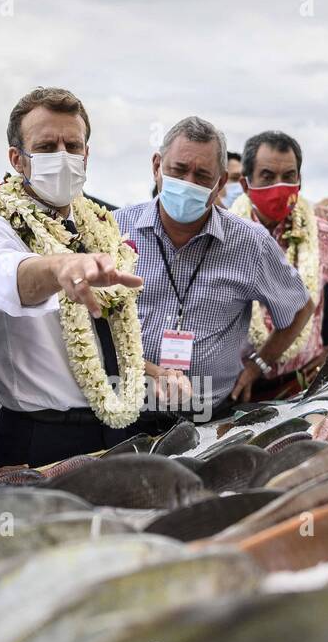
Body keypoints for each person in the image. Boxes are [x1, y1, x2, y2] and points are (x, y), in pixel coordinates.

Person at [0, 86, 145, 468]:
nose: (62, 157)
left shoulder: (100, 229)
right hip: (42, 436)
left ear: (86, 154)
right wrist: (59, 267)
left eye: (72, 146)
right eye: (46, 147)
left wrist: (148, 371)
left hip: (118, 425)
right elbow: (7, 279)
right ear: (18, 159)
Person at [114, 117, 311, 427]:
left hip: (208, 417)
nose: (188, 183)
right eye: (179, 170)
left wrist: (258, 364)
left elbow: (299, 307)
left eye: (202, 175)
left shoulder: (250, 243)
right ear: (157, 167)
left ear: (220, 184)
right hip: (120, 408)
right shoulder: (114, 230)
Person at [227, 130, 328, 392]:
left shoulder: (325, 237)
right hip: (235, 390)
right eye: (267, 176)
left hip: (302, 387)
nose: (279, 186)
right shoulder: (224, 235)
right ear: (246, 185)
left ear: (299, 181)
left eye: (288, 176)